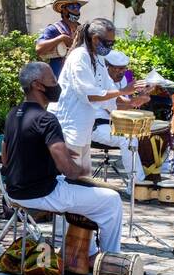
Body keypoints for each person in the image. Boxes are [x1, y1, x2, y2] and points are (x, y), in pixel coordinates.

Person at [1, 62, 123, 253]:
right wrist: (81, 170)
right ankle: (111, 260)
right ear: (37, 85)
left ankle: (85, 254)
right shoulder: (47, 119)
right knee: (112, 200)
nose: (57, 85)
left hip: (14, 192)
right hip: (42, 193)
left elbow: (6, 158)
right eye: (53, 80)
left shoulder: (13, 114)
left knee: (83, 195)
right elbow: (68, 170)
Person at [50, 18, 123, 169]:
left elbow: (109, 90)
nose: (111, 47)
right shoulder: (79, 56)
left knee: (82, 178)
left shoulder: (98, 58)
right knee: (73, 178)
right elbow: (89, 94)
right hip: (70, 125)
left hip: (84, 127)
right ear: (95, 39)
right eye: (109, 43)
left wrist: (132, 101)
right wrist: (122, 91)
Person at [89, 49, 152, 181]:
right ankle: (137, 184)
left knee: (146, 134)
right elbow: (115, 106)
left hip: (113, 123)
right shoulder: (99, 79)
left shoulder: (122, 79)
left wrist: (140, 97)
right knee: (128, 139)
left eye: (123, 69)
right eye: (117, 69)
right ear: (107, 67)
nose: (121, 72)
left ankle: (151, 175)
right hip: (95, 125)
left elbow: (123, 107)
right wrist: (136, 101)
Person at [35, 0, 84, 79]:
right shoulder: (53, 29)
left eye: (78, 7)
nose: (76, 10)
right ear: (63, 10)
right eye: (72, 7)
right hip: (58, 77)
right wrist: (61, 38)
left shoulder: (83, 30)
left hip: (79, 76)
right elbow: (39, 49)